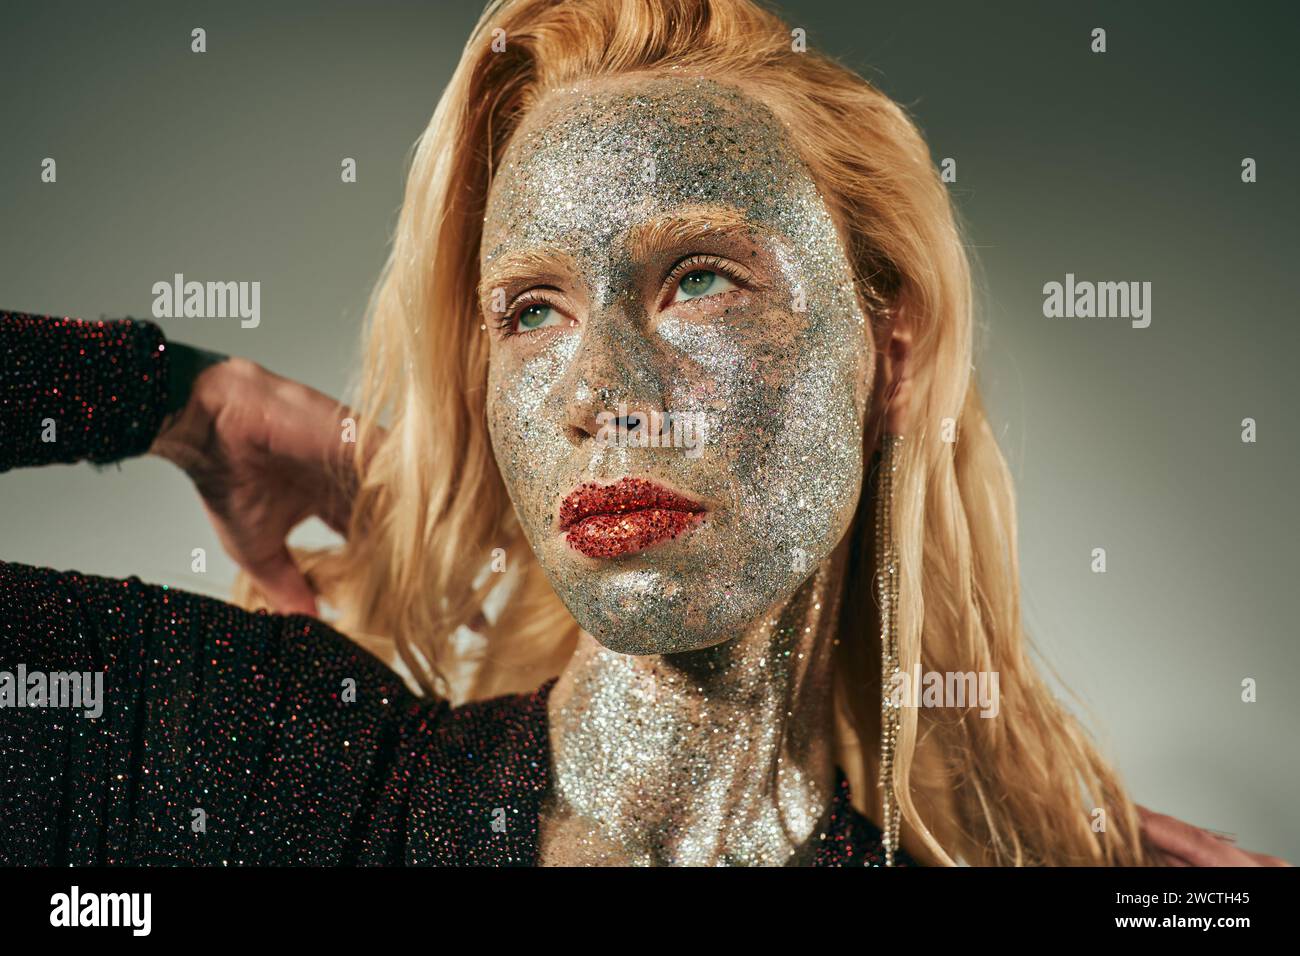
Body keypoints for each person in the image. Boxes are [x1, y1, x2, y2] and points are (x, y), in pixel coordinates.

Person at [0, 0, 1286, 867]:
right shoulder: (247, 757)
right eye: (532, 310)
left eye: (699, 279)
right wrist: (171, 395)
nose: (598, 389)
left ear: (889, 352)